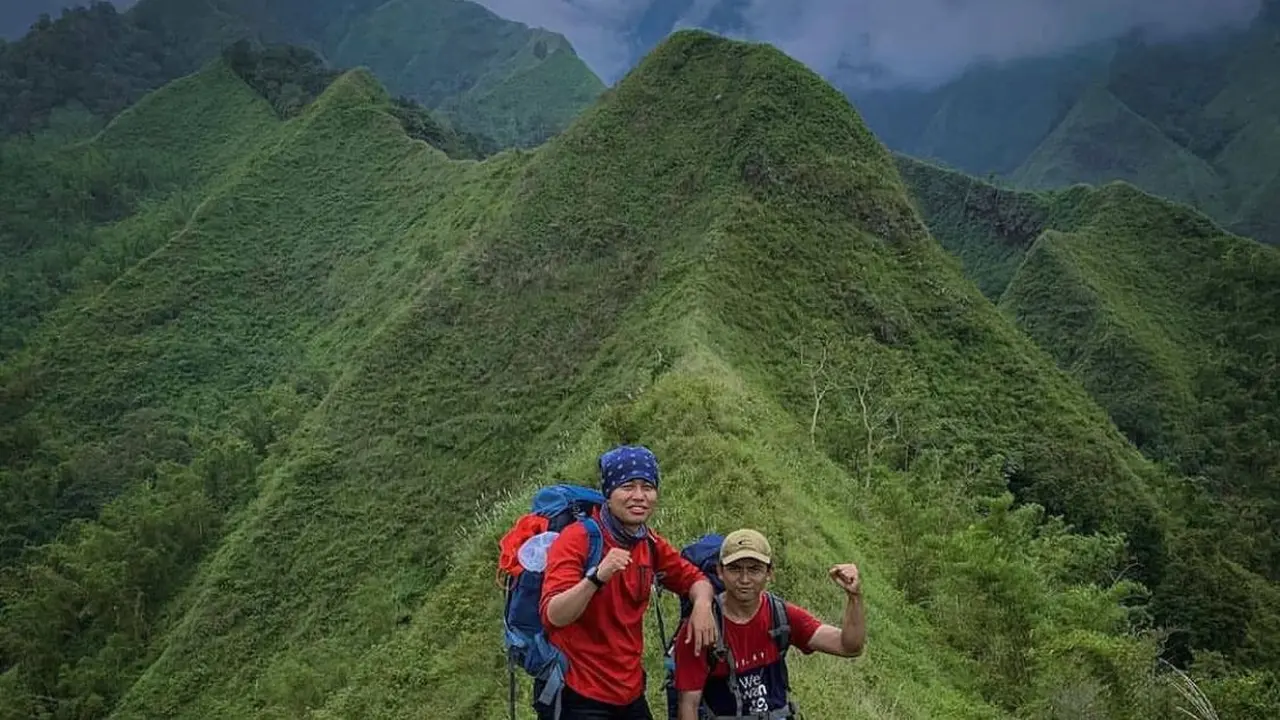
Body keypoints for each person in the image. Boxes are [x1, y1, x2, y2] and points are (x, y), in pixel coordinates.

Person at [538, 445, 719, 719]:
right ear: (608, 494)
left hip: (629, 692)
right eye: (627, 487)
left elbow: (693, 578)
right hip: (580, 694)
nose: (639, 496)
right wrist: (596, 577)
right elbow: (554, 615)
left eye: (647, 487)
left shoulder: (648, 542)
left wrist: (703, 605)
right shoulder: (577, 539)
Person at [672, 529, 866, 720]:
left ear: (769, 573)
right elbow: (688, 705)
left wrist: (854, 597)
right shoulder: (701, 628)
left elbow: (849, 647)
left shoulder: (781, 615)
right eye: (735, 569)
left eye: (754, 569)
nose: (745, 579)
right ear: (720, 572)